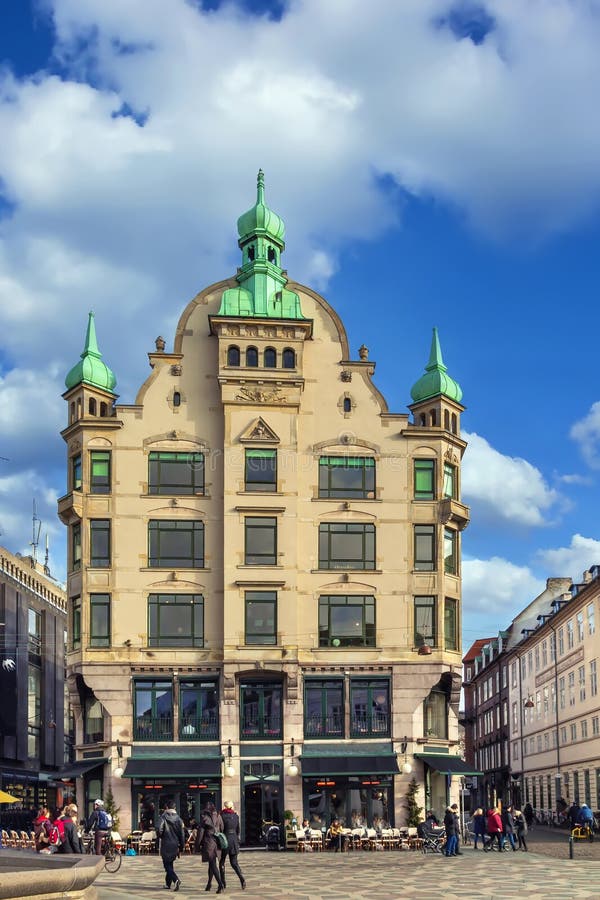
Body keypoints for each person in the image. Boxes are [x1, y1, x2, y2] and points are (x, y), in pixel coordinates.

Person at [195, 801, 224, 894]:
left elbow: (200, 833)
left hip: (209, 843)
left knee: (212, 864)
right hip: (217, 842)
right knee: (212, 864)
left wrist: (197, 845)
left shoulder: (204, 818)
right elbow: (222, 828)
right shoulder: (218, 816)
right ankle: (209, 884)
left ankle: (220, 884)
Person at [158, 799, 185, 892]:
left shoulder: (163, 817)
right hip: (174, 844)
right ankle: (168, 884)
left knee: (166, 865)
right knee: (170, 863)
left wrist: (161, 836)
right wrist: (182, 846)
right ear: (174, 808)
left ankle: (176, 879)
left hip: (166, 843)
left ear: (167, 807)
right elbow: (182, 834)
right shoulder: (179, 819)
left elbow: (159, 829)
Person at [219, 800, 246, 890]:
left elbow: (221, 829)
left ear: (225, 807)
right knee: (234, 863)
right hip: (234, 840)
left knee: (222, 862)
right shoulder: (236, 816)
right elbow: (238, 829)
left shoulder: (222, 816)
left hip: (225, 840)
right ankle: (242, 878)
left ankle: (223, 883)